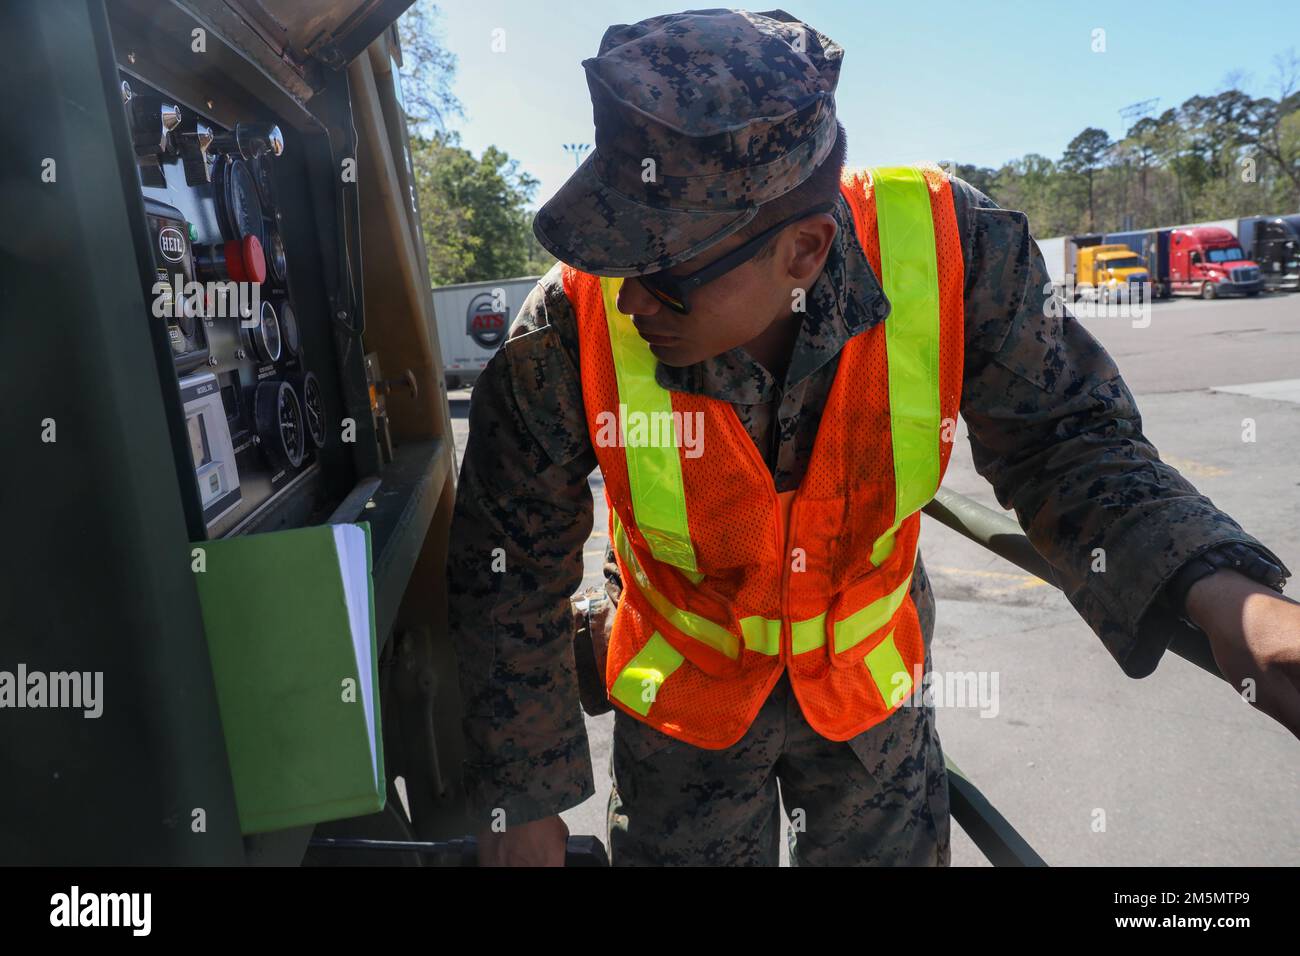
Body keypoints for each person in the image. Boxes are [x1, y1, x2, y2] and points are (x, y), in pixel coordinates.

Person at [446, 8, 1296, 867]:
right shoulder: (567, 321)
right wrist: (523, 809)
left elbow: (1065, 440)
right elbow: (506, 569)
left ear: (805, 251)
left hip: (873, 723)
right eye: (615, 260)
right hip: (682, 728)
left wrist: (1224, 593)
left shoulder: (953, 252)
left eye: (664, 277)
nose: (629, 302)